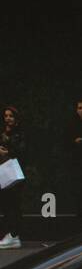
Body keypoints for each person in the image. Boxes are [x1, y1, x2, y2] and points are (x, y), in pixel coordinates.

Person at [0, 106, 25, 249]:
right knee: (7, 203)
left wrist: (6, 151)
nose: (8, 118)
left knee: (13, 204)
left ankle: (14, 235)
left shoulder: (19, 133)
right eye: (6, 116)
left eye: (11, 116)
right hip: (5, 171)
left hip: (14, 171)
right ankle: (10, 234)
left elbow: (21, 150)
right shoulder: (4, 133)